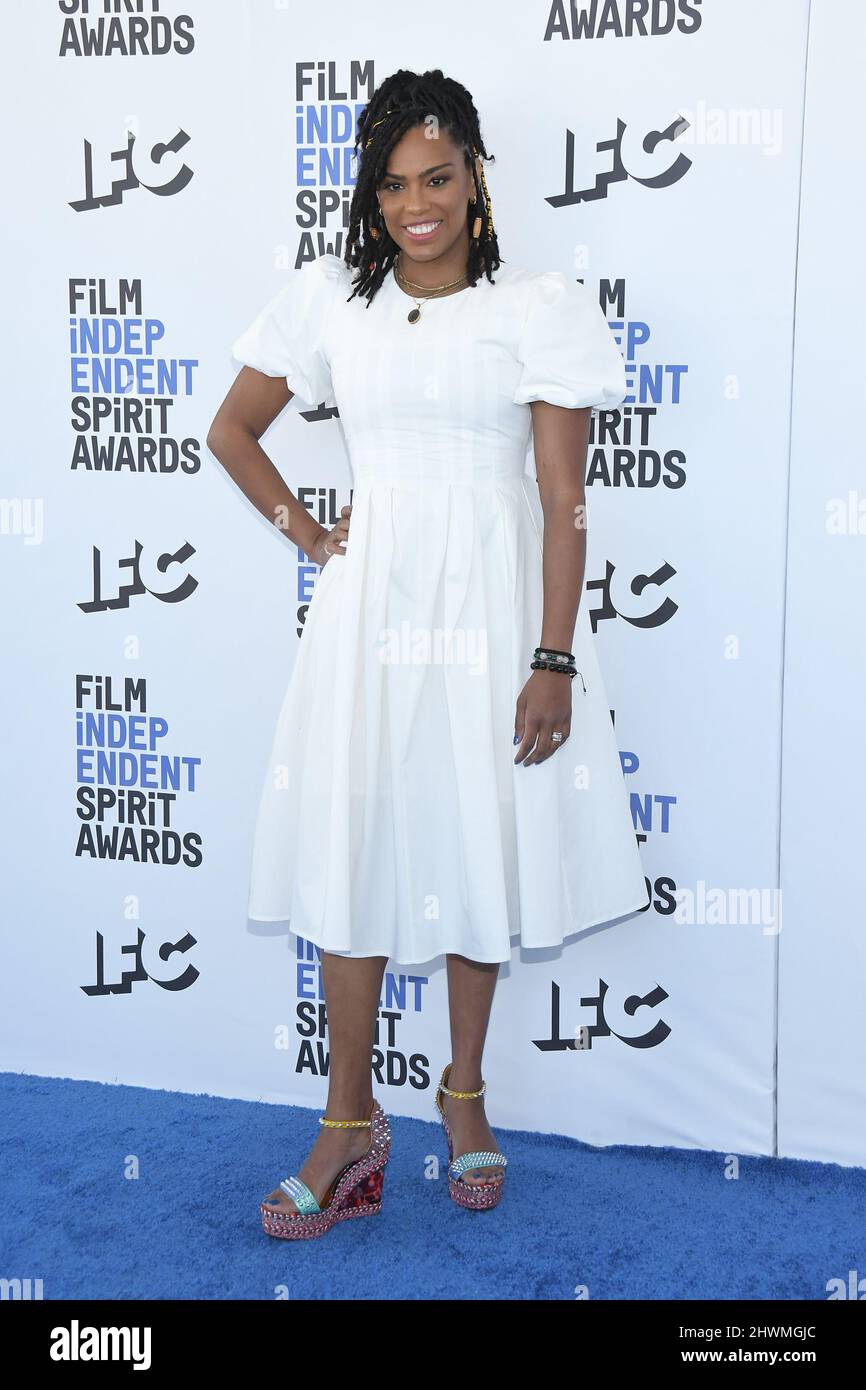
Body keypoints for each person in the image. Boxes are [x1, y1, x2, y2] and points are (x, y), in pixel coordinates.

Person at [207, 68, 648, 1240]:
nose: (418, 203)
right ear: (369, 193)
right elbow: (230, 429)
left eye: (438, 178)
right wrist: (309, 534)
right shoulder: (329, 302)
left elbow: (563, 501)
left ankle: (462, 1092)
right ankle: (346, 1122)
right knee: (349, 842)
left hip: (497, 609)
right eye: (395, 183)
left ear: (473, 182)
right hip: (369, 608)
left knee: (471, 833)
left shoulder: (533, 305)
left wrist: (551, 655)